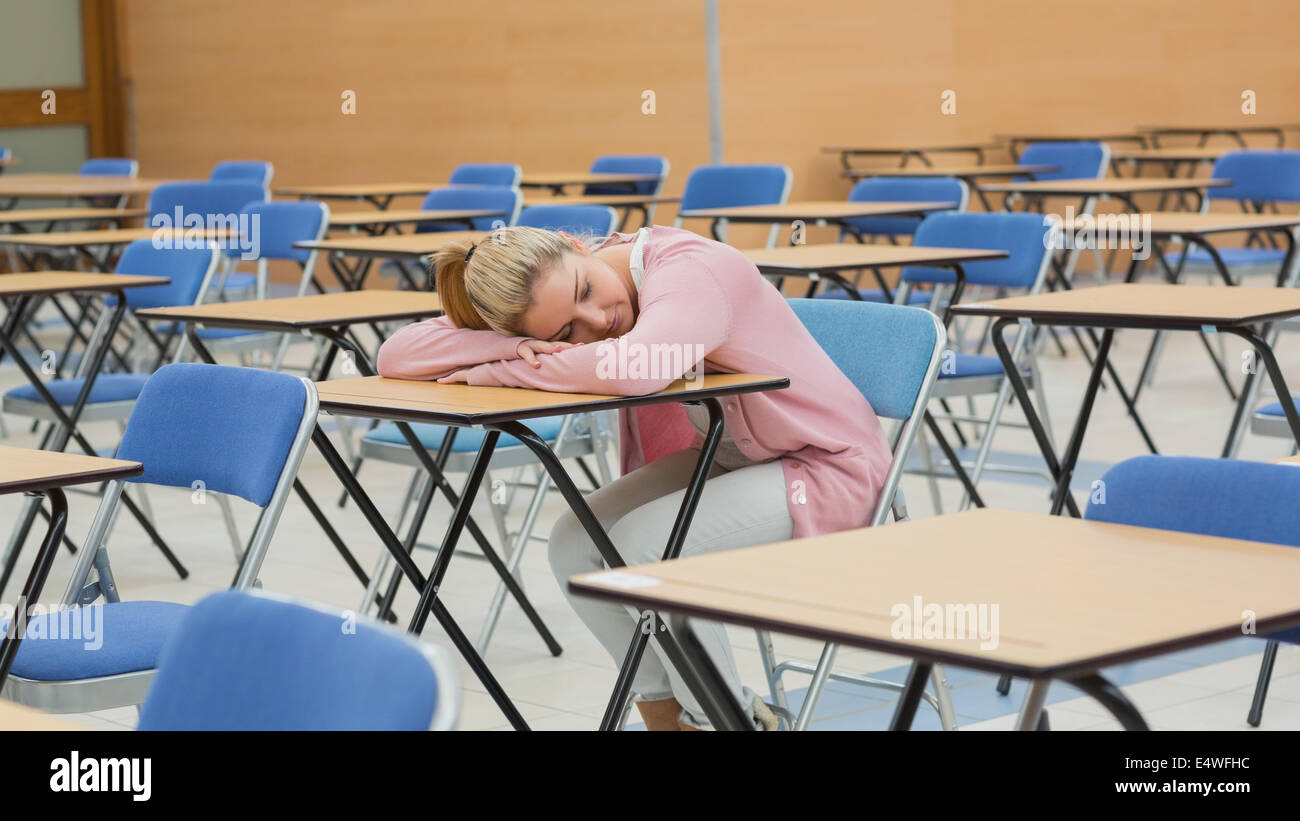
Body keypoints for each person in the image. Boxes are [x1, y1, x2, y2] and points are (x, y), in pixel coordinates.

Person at [376, 224, 893, 730]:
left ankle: (721, 718)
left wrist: (501, 369)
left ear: (580, 245)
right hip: (732, 456)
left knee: (648, 547)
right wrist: (511, 346)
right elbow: (397, 354)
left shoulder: (693, 270)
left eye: (585, 289)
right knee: (575, 545)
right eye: (564, 333)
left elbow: (635, 367)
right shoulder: (548, 295)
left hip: (829, 464)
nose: (597, 320)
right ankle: (667, 718)